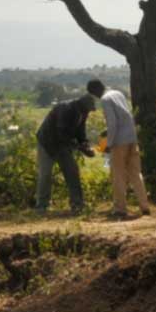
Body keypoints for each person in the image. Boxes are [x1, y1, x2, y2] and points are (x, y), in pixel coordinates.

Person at [34, 81, 100, 214]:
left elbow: (80, 132)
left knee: (72, 172)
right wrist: (81, 148)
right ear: (82, 105)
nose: (88, 112)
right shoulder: (66, 109)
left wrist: (85, 144)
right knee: (45, 174)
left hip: (63, 145)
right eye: (88, 110)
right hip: (47, 143)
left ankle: (77, 204)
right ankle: (42, 206)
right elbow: (61, 133)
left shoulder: (83, 112)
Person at [97, 80, 152, 218]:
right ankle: (144, 206)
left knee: (118, 175)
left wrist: (108, 143)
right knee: (135, 173)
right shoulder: (118, 93)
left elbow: (112, 122)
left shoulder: (105, 99)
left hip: (118, 142)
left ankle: (120, 209)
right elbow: (125, 117)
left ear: (95, 91)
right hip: (131, 138)